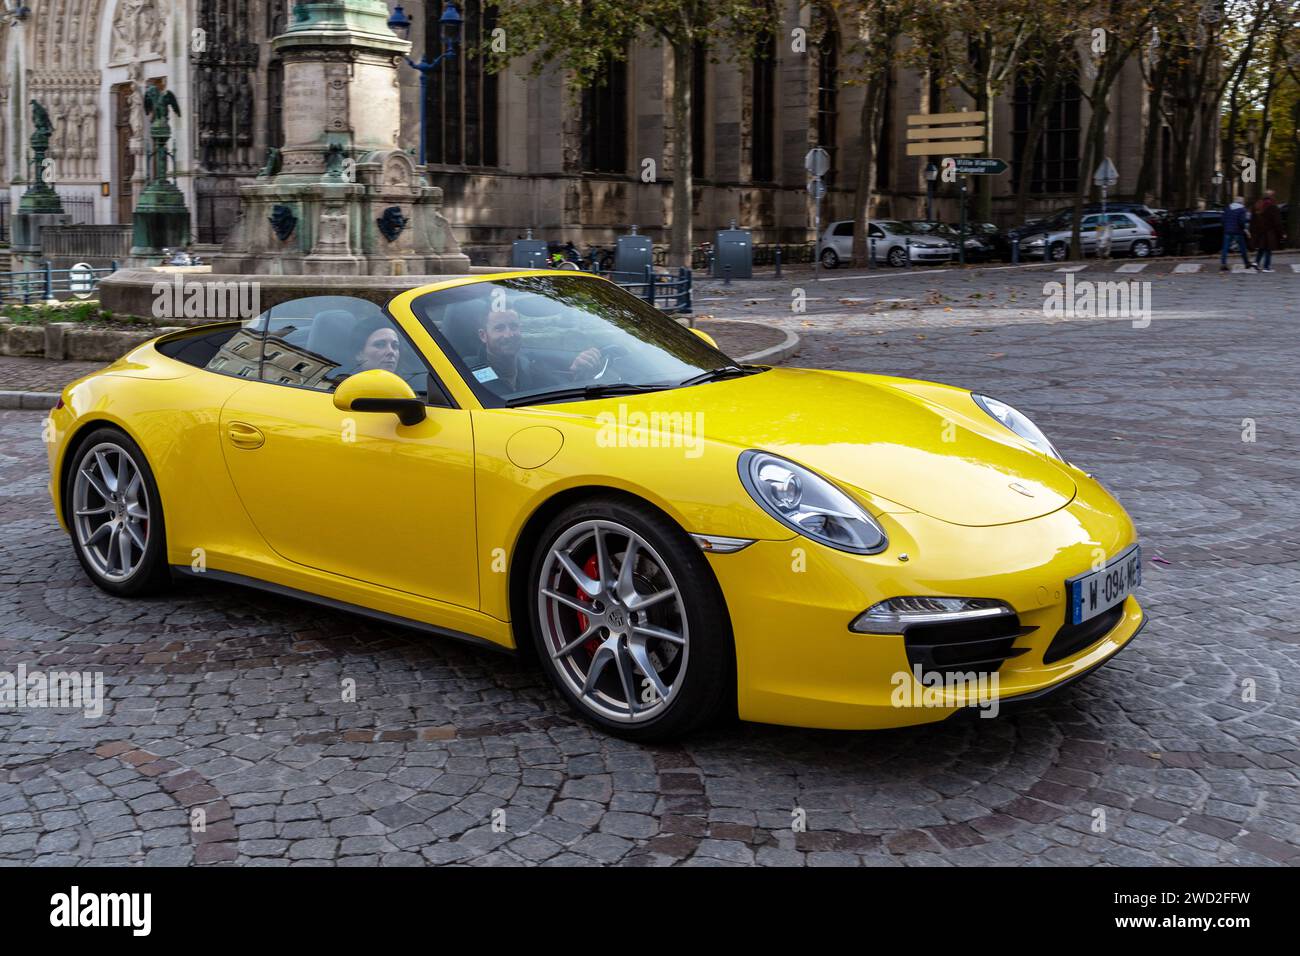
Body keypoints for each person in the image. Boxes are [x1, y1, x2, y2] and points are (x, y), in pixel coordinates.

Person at [476, 309, 601, 394]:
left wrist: (578, 376)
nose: (509, 335)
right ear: (483, 336)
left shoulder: (531, 367)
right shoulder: (469, 374)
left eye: (514, 326)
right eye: (499, 328)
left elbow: (560, 392)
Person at [1220, 196, 1258, 271]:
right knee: (1242, 248)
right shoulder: (1242, 210)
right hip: (1237, 231)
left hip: (1228, 231)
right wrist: (1244, 228)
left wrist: (1226, 226)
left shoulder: (1228, 208)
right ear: (1241, 202)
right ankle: (1246, 263)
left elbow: (1222, 219)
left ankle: (1223, 264)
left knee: (1225, 248)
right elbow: (1241, 221)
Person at [1251, 190, 1283, 273]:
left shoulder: (1258, 205)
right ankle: (1266, 267)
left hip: (1260, 231)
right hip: (1269, 231)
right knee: (1268, 249)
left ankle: (1256, 263)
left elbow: (1253, 219)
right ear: (1271, 196)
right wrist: (1282, 232)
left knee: (1262, 248)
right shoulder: (1272, 206)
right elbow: (1277, 221)